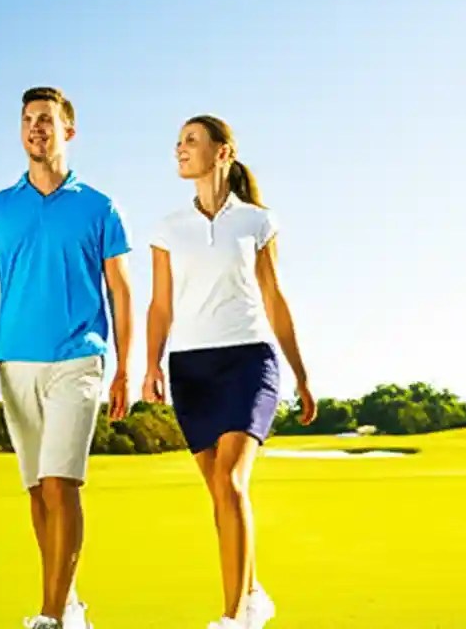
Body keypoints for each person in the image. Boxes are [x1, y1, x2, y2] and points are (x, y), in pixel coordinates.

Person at [0, 87, 133, 629]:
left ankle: (49, 615)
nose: (35, 129)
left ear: (69, 131)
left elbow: (120, 290)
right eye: (27, 120)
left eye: (46, 120)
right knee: (37, 493)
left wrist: (124, 367)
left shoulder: (99, 206)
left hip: (79, 358)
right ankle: (69, 606)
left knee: (60, 483)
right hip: (13, 362)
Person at [142, 115, 317, 629]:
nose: (180, 149)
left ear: (223, 152)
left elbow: (274, 297)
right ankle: (254, 593)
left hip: (248, 360)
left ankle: (233, 618)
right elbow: (159, 305)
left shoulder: (257, 221)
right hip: (190, 368)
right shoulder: (167, 229)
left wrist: (301, 373)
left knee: (231, 480)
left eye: (191, 140)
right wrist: (150, 363)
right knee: (219, 494)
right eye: (178, 142)